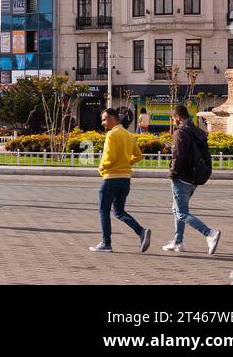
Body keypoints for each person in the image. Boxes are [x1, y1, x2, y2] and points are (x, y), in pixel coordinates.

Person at [91, 107, 150, 253]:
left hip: (111, 178)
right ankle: (141, 232)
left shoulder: (112, 135)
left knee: (104, 210)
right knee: (119, 211)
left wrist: (101, 168)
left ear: (112, 118)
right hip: (125, 179)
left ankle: (106, 243)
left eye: (104, 120)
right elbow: (138, 155)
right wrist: (126, 163)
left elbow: (109, 158)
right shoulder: (129, 135)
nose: (103, 123)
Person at [163, 105, 220, 255]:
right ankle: (178, 242)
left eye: (173, 118)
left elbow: (178, 156)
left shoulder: (180, 132)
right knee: (177, 210)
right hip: (195, 176)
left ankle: (209, 233)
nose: (173, 121)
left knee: (181, 212)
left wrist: (173, 173)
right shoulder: (197, 131)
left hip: (182, 177)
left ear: (178, 117)